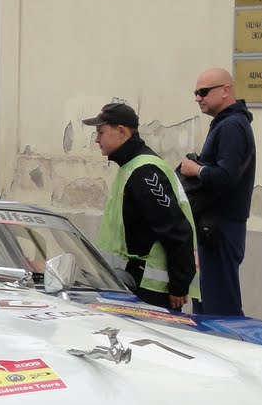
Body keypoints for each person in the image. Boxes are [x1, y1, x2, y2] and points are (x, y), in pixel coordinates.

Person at [84, 100, 197, 312]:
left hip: (151, 289)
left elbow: (176, 231)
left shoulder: (145, 172)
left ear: (121, 131)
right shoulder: (130, 166)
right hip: (130, 282)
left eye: (101, 132)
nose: (97, 140)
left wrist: (178, 286)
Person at [176, 68, 256, 317]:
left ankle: (229, 352)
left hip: (220, 227)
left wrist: (195, 169)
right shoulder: (226, 124)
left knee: (219, 309)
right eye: (196, 93)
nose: (198, 98)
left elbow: (226, 177)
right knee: (206, 303)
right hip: (212, 228)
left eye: (203, 92)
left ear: (225, 91)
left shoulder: (232, 126)